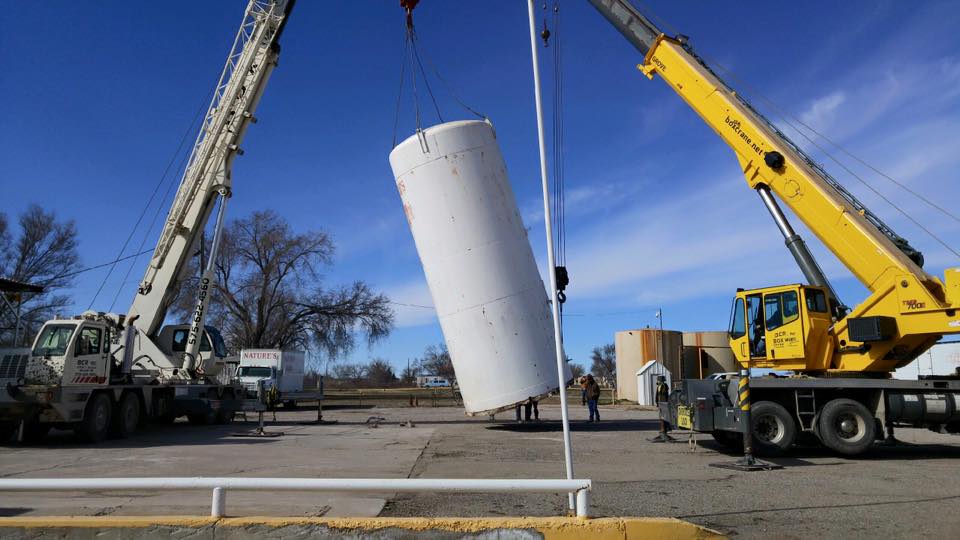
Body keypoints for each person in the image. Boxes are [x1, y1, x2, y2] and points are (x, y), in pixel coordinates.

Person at [650, 375, 676, 442]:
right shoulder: (659, 386)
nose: (657, 381)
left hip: (663, 403)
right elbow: (657, 395)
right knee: (661, 418)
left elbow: (663, 396)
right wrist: (657, 403)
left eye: (658, 380)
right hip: (661, 403)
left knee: (663, 418)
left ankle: (664, 431)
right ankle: (663, 431)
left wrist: (662, 404)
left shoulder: (663, 386)